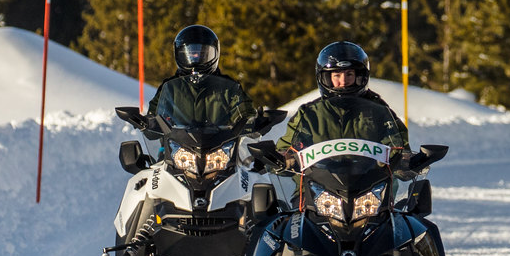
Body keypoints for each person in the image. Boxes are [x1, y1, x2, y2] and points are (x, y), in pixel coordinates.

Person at [278, 41, 410, 157]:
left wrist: (403, 159)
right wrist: (285, 158)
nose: (343, 81)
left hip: (372, 182)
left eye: (349, 74)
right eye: (337, 75)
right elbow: (287, 148)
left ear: (359, 76)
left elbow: (397, 144)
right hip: (317, 183)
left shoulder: (379, 110)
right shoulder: (309, 114)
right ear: (326, 78)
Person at [148, 25, 253, 143]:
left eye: (202, 53)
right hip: (176, 150)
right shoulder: (170, 88)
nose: (196, 58)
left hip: (221, 151)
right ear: (179, 54)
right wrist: (150, 122)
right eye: (191, 53)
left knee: (250, 160)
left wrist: (253, 121)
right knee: (155, 159)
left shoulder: (230, 88)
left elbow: (245, 112)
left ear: (215, 53)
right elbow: (153, 117)